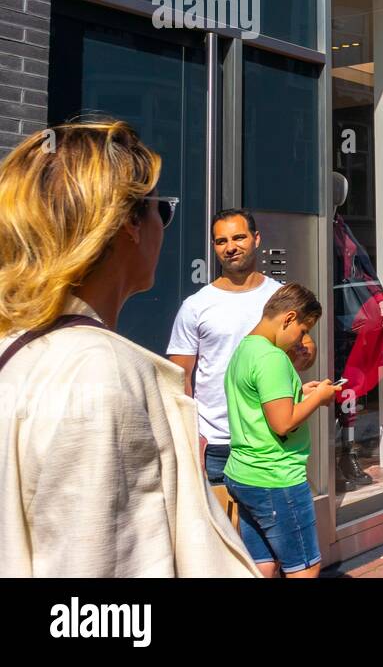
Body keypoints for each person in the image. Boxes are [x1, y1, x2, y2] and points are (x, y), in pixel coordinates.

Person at [0, 121, 258, 576]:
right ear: (128, 224)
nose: (165, 225)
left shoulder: (21, 353)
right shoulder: (98, 375)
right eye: (163, 210)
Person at [168, 209, 311, 485]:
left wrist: (302, 355)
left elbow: (307, 350)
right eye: (221, 241)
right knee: (219, 527)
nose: (230, 247)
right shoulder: (196, 305)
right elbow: (178, 377)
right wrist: (189, 436)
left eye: (239, 238)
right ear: (214, 247)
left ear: (256, 239)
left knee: (268, 526)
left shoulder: (280, 297)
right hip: (216, 443)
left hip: (270, 437)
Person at [222, 283, 340, 578]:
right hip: (276, 478)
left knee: (262, 564)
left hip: (245, 474)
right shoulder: (271, 357)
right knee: (305, 567)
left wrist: (300, 391)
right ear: (288, 318)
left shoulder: (245, 349)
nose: (301, 340)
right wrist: (318, 398)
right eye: (302, 330)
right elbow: (283, 423)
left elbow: (258, 405)